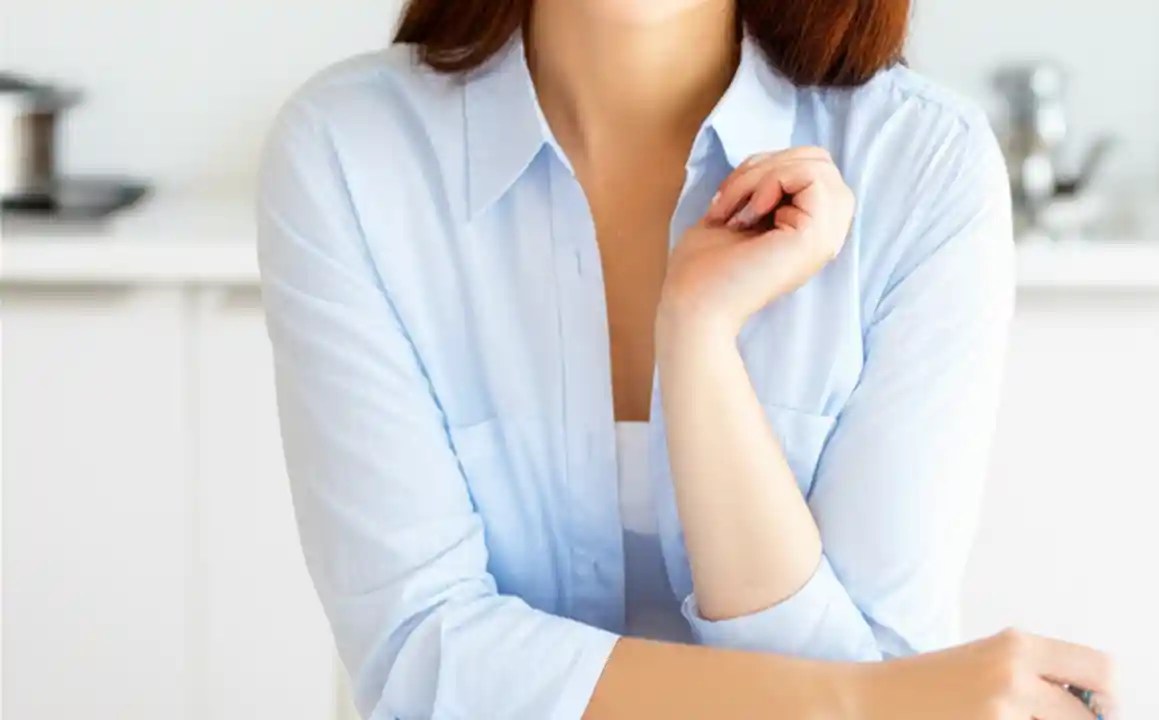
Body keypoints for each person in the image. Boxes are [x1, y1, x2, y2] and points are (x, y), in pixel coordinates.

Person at [257, 0, 1115, 717]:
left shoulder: (922, 166)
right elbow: (423, 661)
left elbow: (885, 656)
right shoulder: (349, 154)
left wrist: (701, 342)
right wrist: (858, 704)